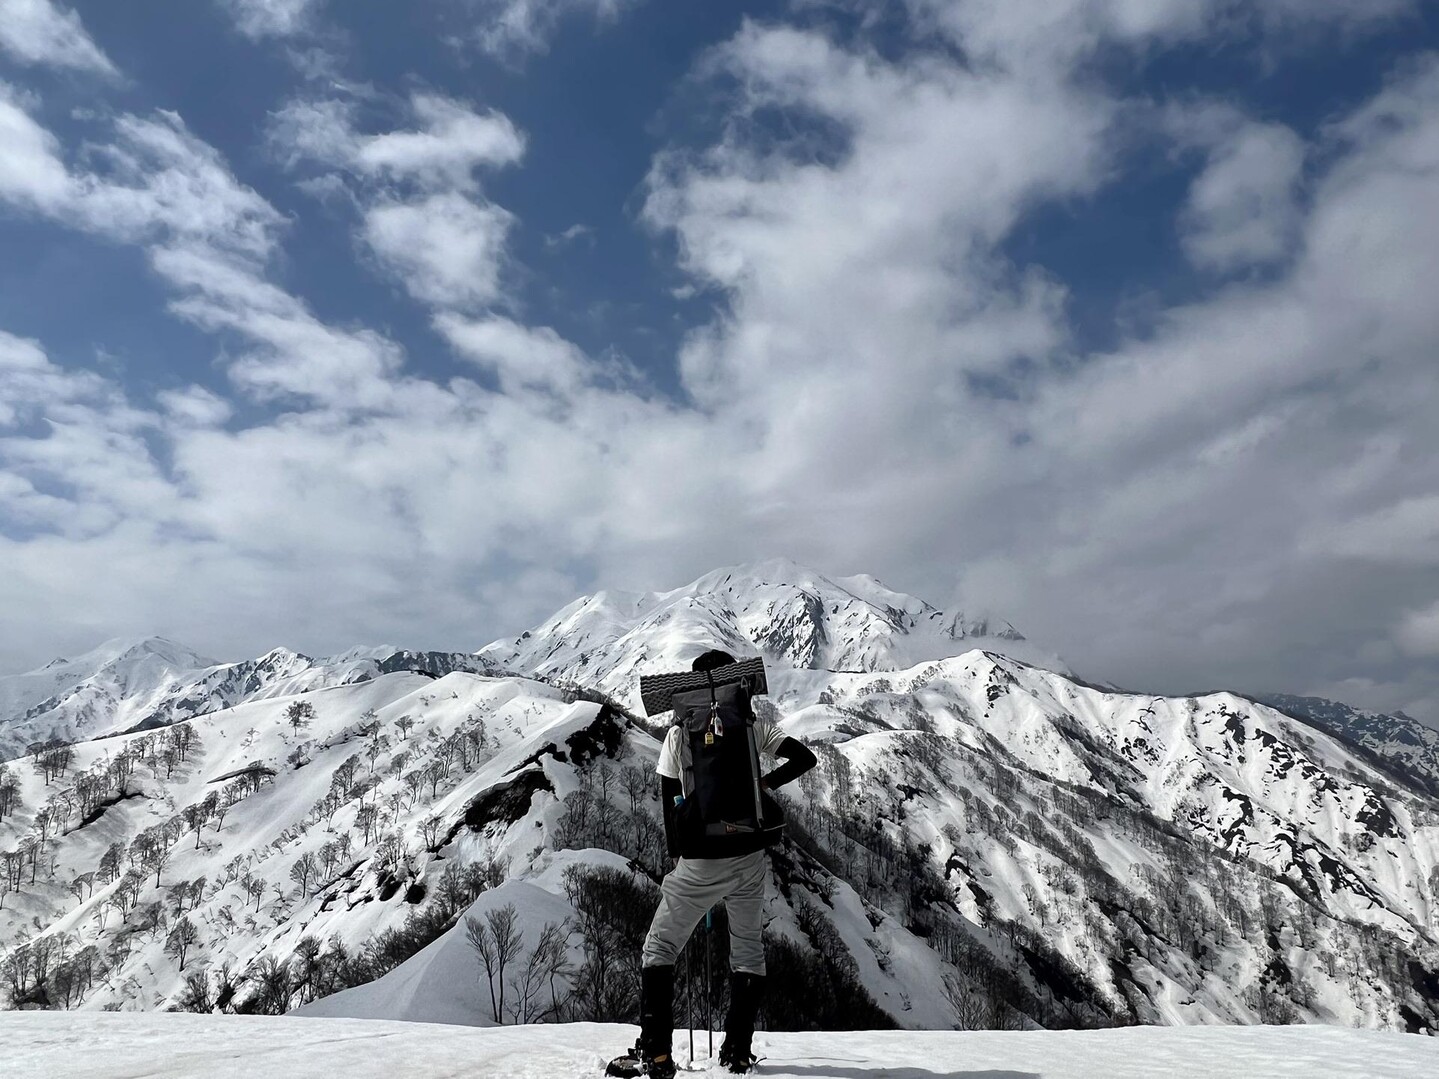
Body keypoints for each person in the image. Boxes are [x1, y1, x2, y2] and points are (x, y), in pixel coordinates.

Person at [615, 649, 817, 1078]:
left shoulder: (678, 736)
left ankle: (655, 1053)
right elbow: (805, 759)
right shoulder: (751, 727)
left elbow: (671, 803)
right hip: (750, 854)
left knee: (660, 948)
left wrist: (681, 860)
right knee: (747, 951)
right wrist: (763, 785)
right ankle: (737, 1053)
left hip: (701, 859)